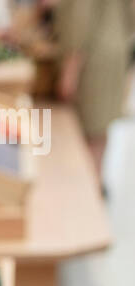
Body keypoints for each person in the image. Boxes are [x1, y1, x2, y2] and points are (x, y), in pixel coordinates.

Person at [55, 0, 133, 182]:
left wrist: (70, 68)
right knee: (99, 131)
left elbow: (79, 16)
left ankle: (89, 190)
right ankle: (96, 182)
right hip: (115, 48)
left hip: (93, 57)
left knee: (88, 133)